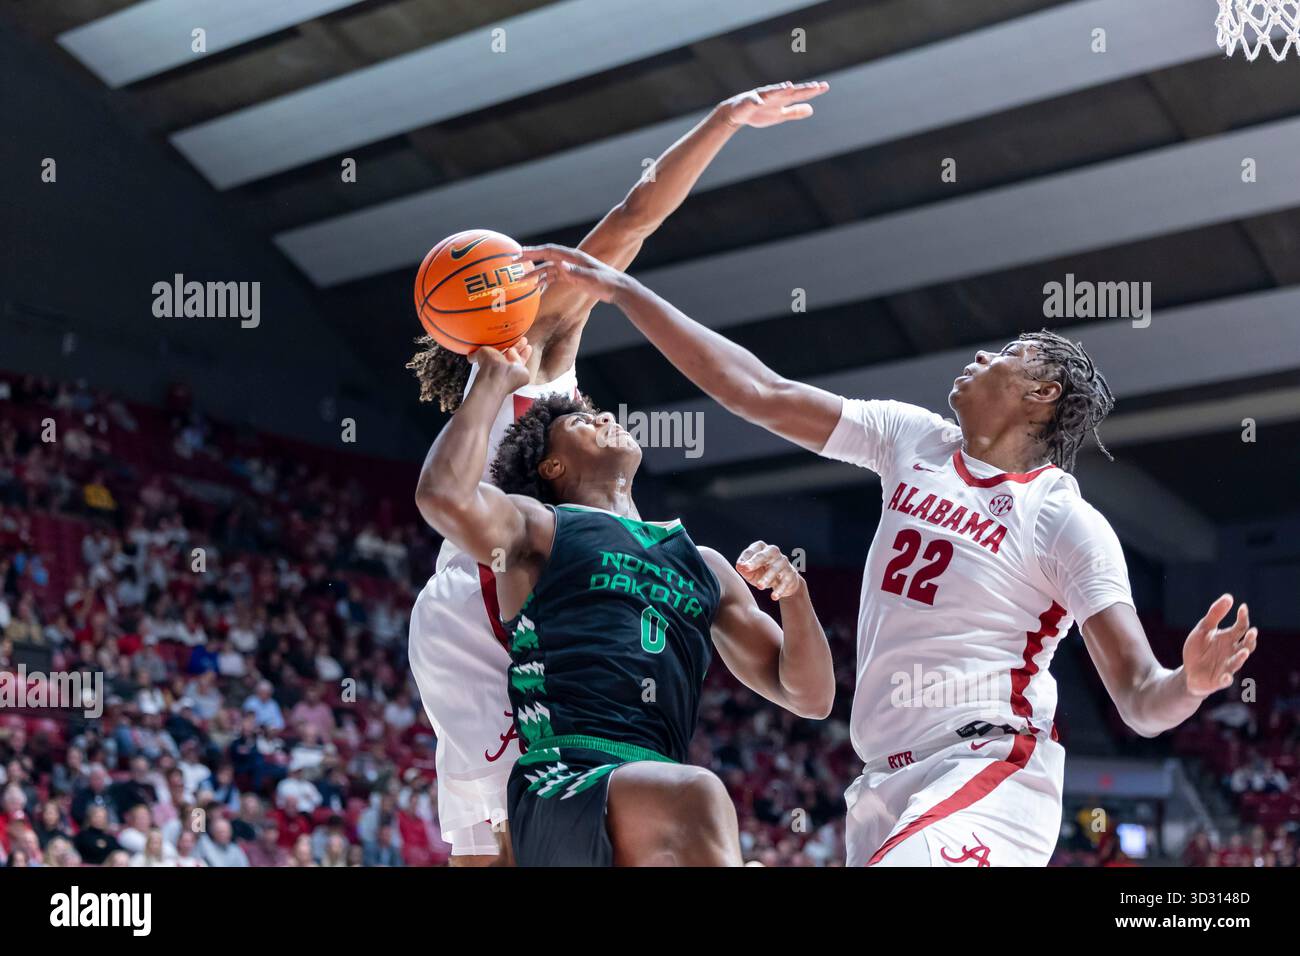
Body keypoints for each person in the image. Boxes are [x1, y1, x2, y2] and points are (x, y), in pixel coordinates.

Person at [518, 242, 1261, 867]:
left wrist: (1188, 682)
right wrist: (622, 290)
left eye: (1004, 354)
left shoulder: (1063, 519)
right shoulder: (913, 439)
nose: (978, 354)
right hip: (881, 782)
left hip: (988, 766)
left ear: (1041, 392)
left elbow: (1137, 696)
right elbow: (755, 389)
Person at [405, 80, 829, 865]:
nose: (547, 280)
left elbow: (636, 217)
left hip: (549, 589)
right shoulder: (519, 362)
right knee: (498, 832)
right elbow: (635, 215)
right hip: (479, 597)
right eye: (516, 278)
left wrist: (724, 119)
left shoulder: (555, 372)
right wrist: (722, 119)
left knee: (518, 823)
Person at [414, 340, 834, 867]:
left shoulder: (705, 566)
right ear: (551, 467)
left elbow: (811, 697)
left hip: (648, 796)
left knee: (690, 800)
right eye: (580, 424)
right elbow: (442, 496)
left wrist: (795, 597)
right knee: (697, 796)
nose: (604, 419)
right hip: (560, 779)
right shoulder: (538, 530)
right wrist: (492, 385)